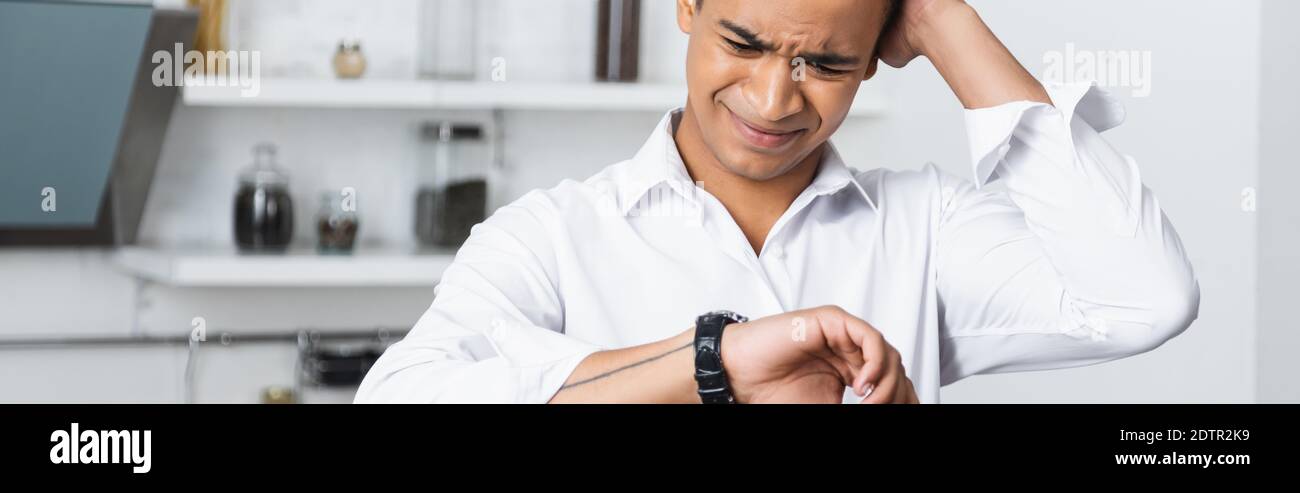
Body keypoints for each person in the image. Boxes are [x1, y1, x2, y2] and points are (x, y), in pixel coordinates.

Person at [355, 0, 1200, 404]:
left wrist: (946, 23)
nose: (772, 100)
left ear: (875, 59)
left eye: (825, 65)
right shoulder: (551, 235)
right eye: (743, 43)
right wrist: (711, 361)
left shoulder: (927, 231)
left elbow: (1144, 299)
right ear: (685, 7)